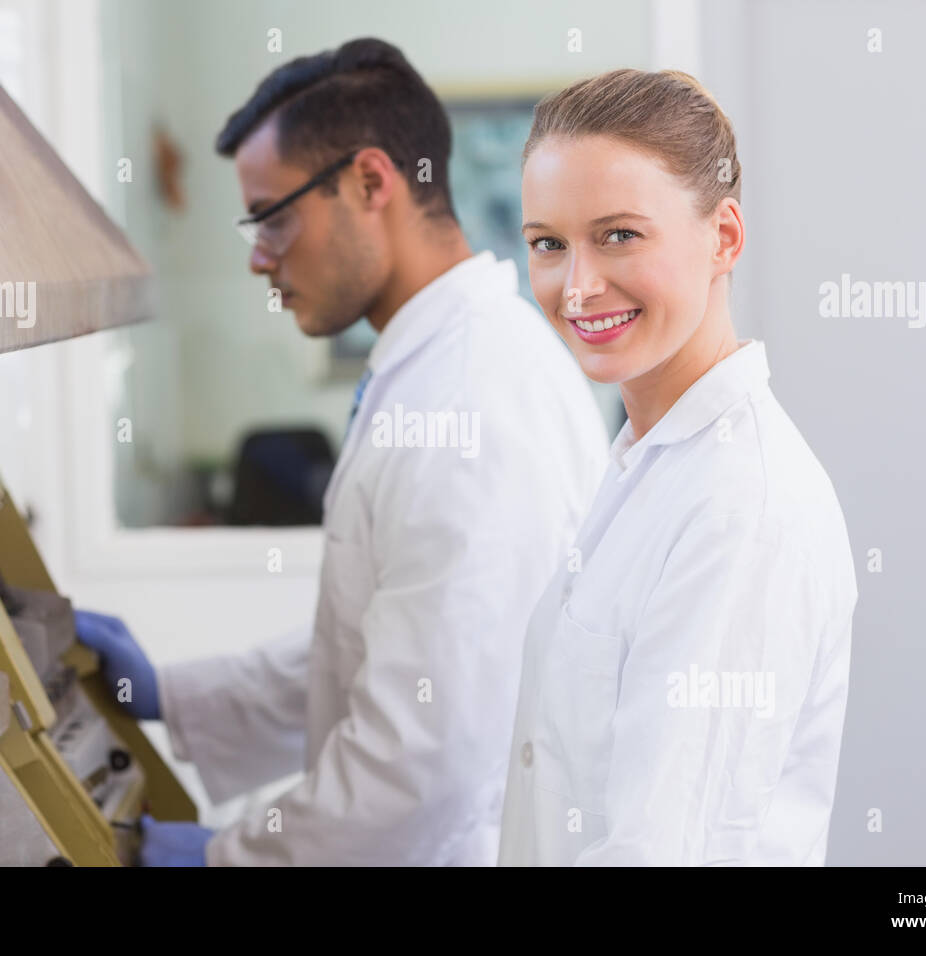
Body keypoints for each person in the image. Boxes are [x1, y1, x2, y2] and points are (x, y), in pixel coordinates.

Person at [76, 37, 607, 866]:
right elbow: (386, 649)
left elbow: (419, 766)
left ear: (370, 182)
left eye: (272, 217)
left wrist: (223, 857)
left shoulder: (466, 405)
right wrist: (171, 695)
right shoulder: (440, 364)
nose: (258, 256)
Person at [498, 69, 858, 865]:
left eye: (619, 234)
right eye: (548, 244)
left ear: (724, 237)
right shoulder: (647, 464)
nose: (579, 285)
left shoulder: (741, 509)